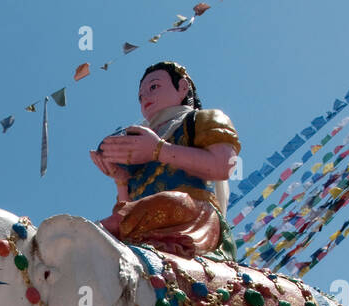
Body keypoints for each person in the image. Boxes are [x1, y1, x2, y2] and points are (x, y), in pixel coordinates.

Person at [91, 61, 240, 259]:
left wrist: (159, 150)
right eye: (140, 96)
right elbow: (129, 208)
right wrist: (121, 179)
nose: (146, 98)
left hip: (191, 216)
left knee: (167, 202)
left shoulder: (201, 119)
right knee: (103, 235)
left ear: (182, 87)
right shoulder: (138, 145)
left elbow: (224, 165)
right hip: (144, 223)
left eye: (154, 87)